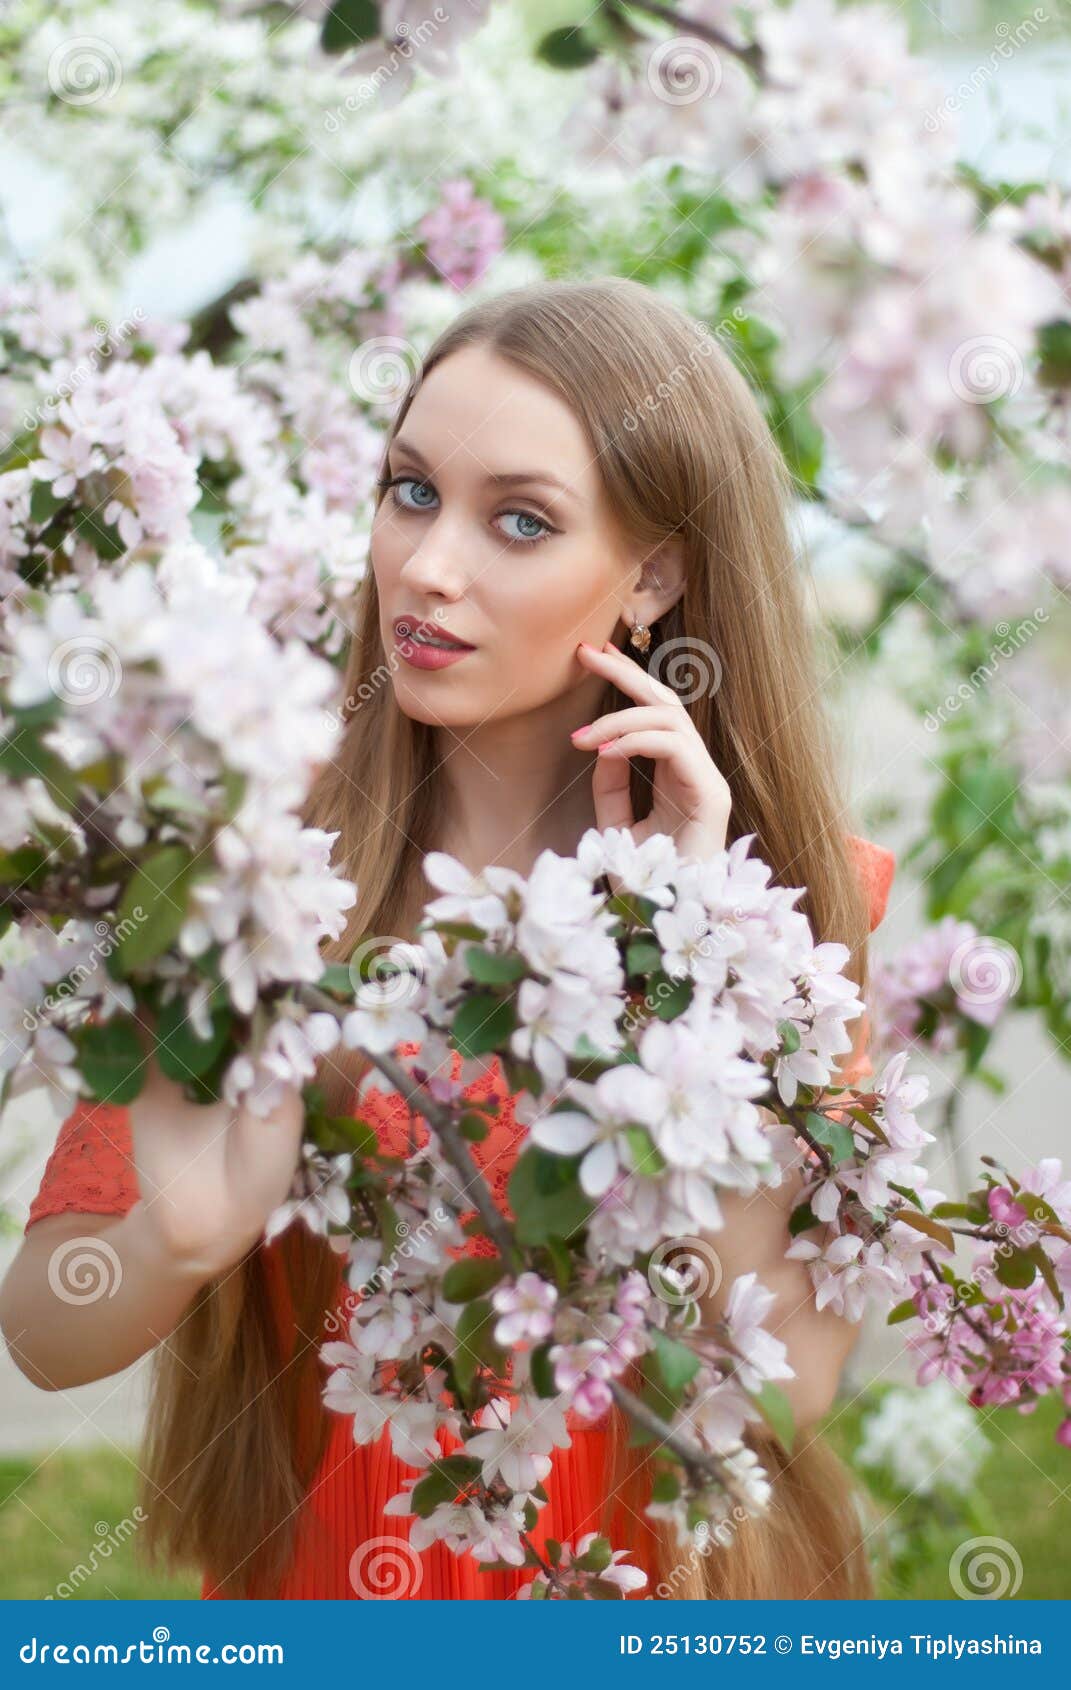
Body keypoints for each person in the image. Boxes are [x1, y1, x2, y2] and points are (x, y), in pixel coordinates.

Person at [2, 277, 896, 1601]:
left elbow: (789, 1384)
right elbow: (46, 1330)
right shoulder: (252, 873)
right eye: (410, 489)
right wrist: (179, 1235)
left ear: (653, 575)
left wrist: (700, 964)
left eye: (519, 520)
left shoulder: (788, 909)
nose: (427, 564)